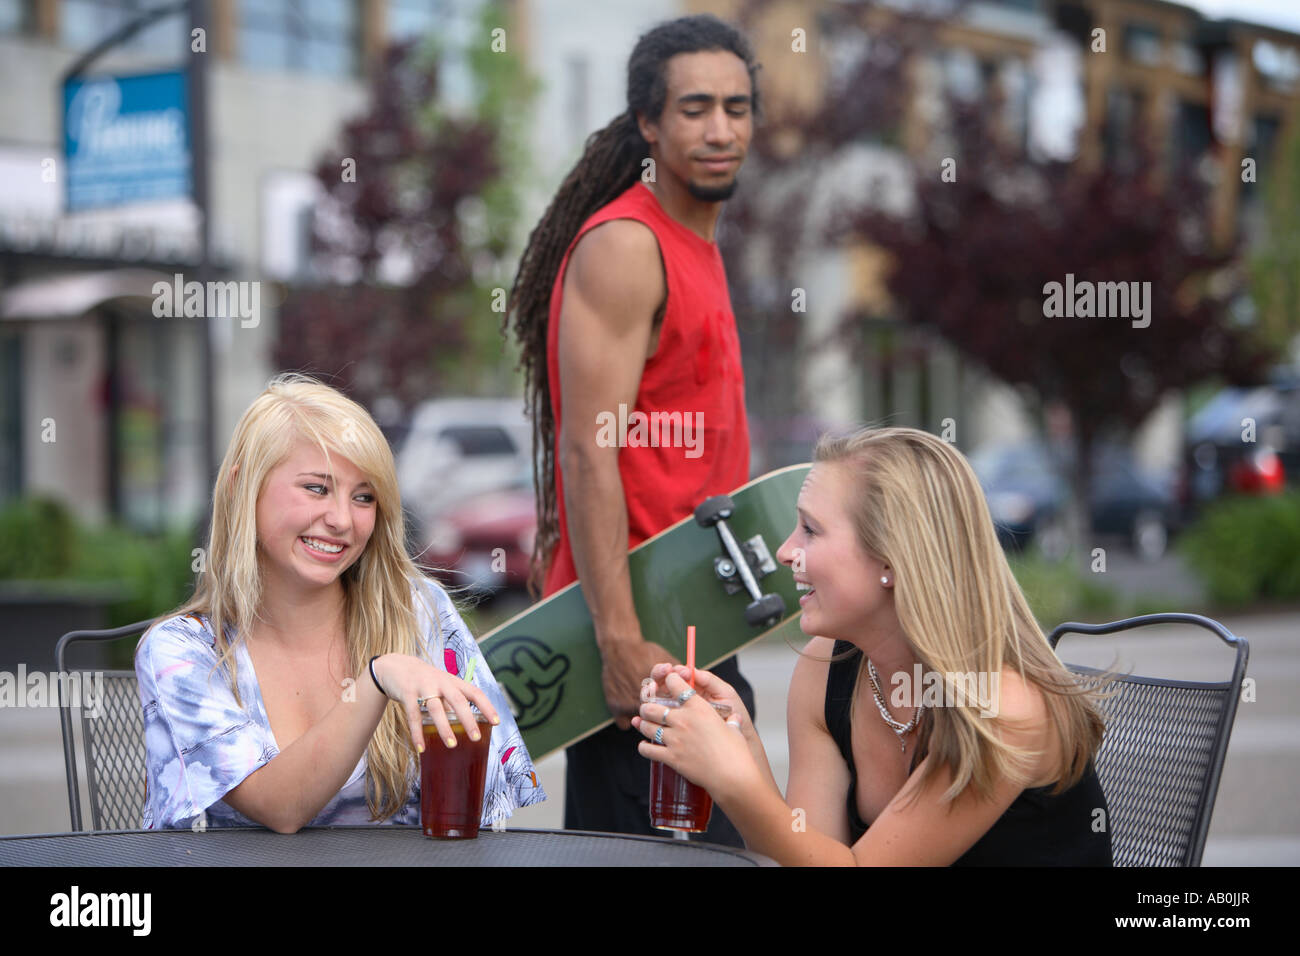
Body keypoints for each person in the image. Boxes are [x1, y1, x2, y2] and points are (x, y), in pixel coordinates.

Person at [503, 14, 760, 843]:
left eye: (736, 106)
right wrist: (615, 639)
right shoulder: (626, 244)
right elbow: (588, 448)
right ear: (648, 122)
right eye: (694, 108)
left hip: (700, 628)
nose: (721, 129)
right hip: (642, 652)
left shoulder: (696, 243)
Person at [634, 426, 1114, 865]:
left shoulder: (1003, 708)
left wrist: (734, 782)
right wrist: (742, 750)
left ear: (891, 557)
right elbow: (806, 853)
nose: (784, 551)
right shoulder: (827, 667)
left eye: (811, 529)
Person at [135, 374, 545, 832]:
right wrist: (376, 681)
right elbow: (280, 807)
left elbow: (490, 794)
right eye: (316, 488)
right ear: (240, 487)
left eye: (364, 497)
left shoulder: (416, 609)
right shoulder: (183, 652)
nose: (342, 520)